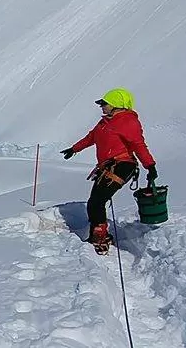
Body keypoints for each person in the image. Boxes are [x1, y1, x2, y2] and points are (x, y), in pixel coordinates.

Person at [60, 88, 157, 252]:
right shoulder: (105, 122)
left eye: (105, 104)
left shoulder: (128, 122)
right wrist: (74, 149)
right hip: (108, 166)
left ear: (116, 105)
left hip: (122, 165)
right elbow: (92, 137)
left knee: (97, 201)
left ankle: (100, 237)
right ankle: (97, 233)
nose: (102, 107)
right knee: (94, 202)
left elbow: (138, 145)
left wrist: (150, 166)